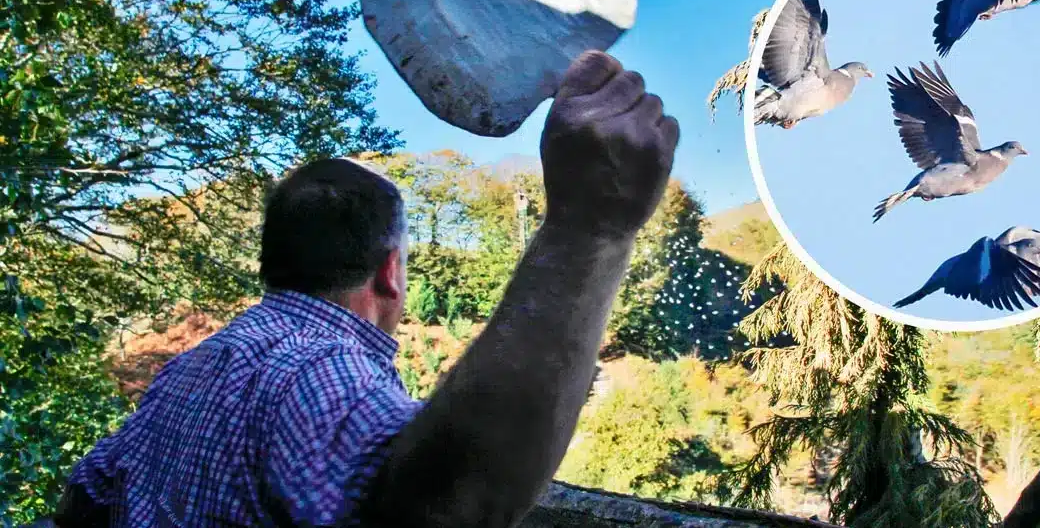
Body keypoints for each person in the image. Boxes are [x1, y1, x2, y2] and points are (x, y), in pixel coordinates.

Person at [48, 50, 680, 527]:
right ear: (389, 271)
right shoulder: (318, 371)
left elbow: (85, 495)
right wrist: (589, 229)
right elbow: (449, 503)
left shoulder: (189, 371)